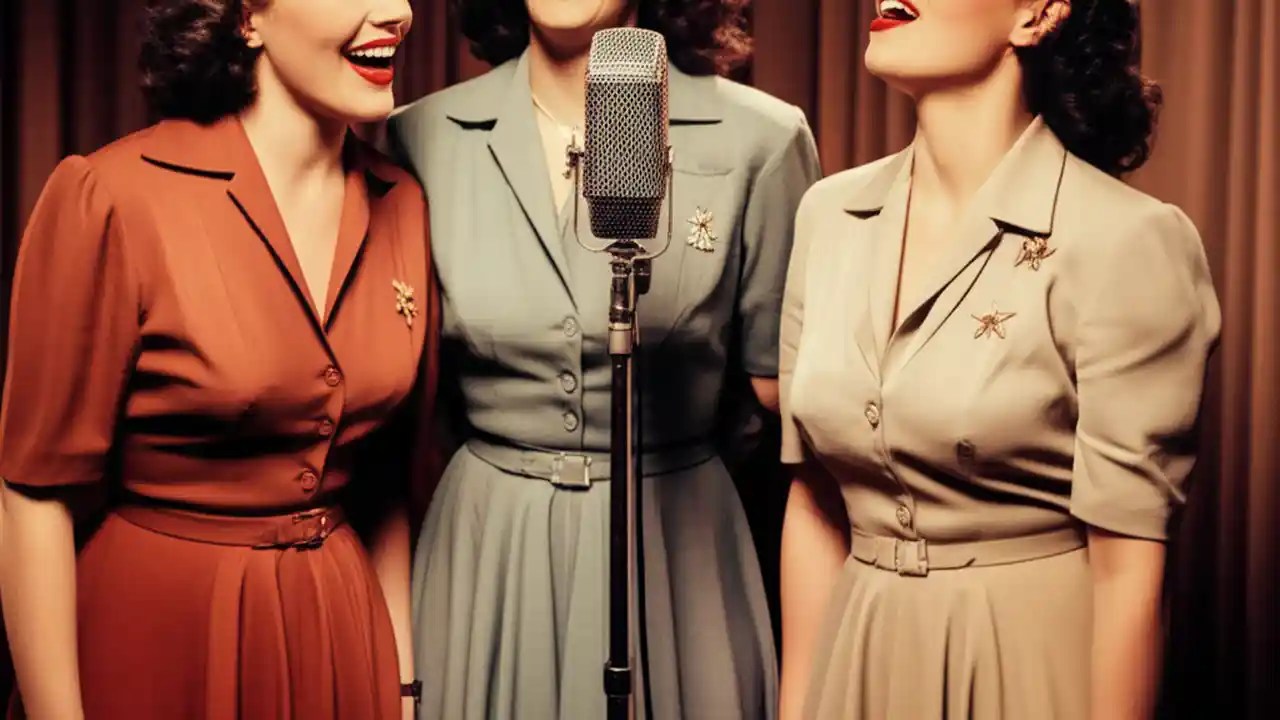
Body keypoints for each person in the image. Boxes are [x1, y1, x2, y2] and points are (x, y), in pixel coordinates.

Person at [777, 1, 1222, 718]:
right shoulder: (827, 215)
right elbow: (816, 504)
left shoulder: (1127, 240)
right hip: (854, 658)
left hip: (1027, 664)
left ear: (1037, 13)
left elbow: (1129, 578)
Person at [0, 0, 437, 718]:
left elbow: (387, 486)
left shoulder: (403, 202)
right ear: (247, 19)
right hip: (158, 642)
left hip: (338, 637)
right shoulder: (112, 196)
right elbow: (33, 498)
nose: (395, 11)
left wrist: (402, 690)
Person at [387, 0, 821, 717]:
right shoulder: (422, 136)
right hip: (490, 548)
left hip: (680, 548)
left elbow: (781, 411)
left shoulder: (763, 141)